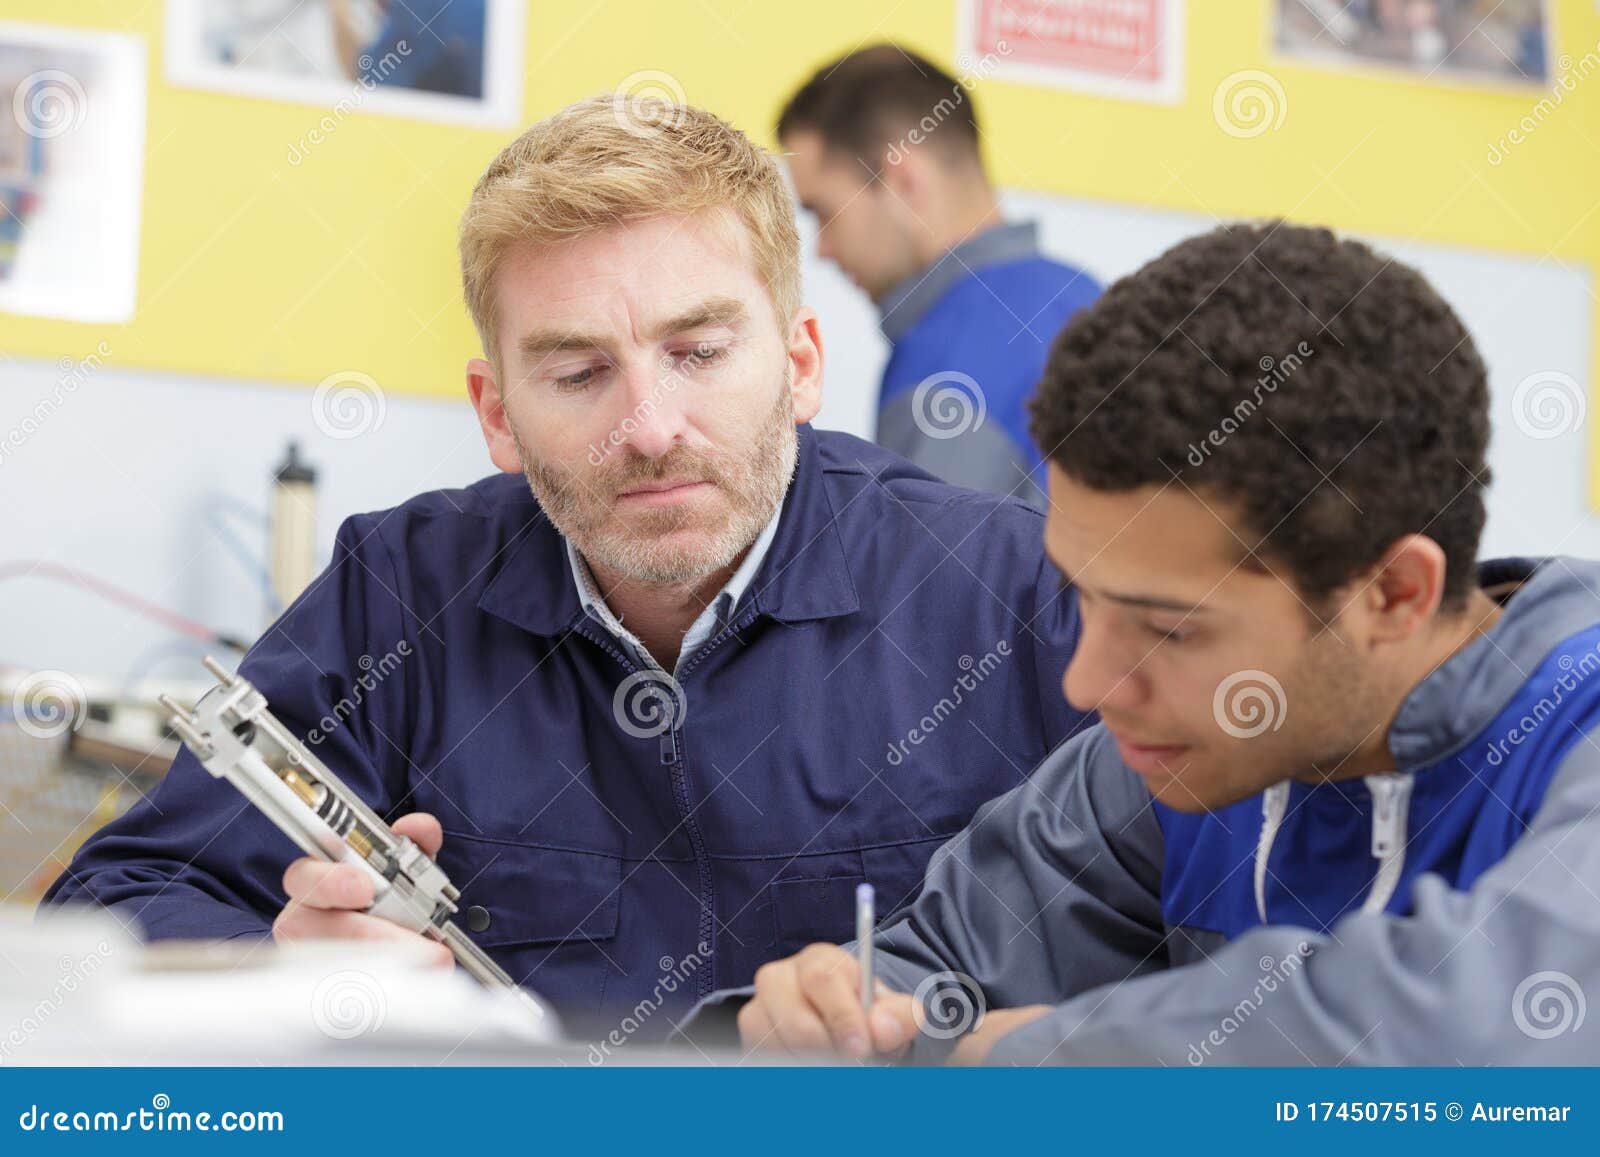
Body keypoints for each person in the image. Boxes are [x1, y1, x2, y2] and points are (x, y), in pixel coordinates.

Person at [41, 96, 1092, 1042]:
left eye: (699, 352)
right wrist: (281, 960)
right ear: (497, 411)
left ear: (801, 361)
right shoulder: (403, 590)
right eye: (580, 371)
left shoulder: (1008, 590)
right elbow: (118, 899)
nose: (649, 429)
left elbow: (1210, 942)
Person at [727, 222, 1600, 1065]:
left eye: (1168, 628)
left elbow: (1490, 1043)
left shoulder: (1575, 727)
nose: (1089, 682)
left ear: (1392, 593)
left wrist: (1034, 1058)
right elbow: (934, 981)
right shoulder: (1163, 761)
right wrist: (845, 1007)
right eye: (1082, 596)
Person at [778, 44, 1100, 508]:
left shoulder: (940, 369)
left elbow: (918, 579)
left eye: (823, 212)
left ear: (904, 180)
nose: (823, 249)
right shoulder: (1093, 300)